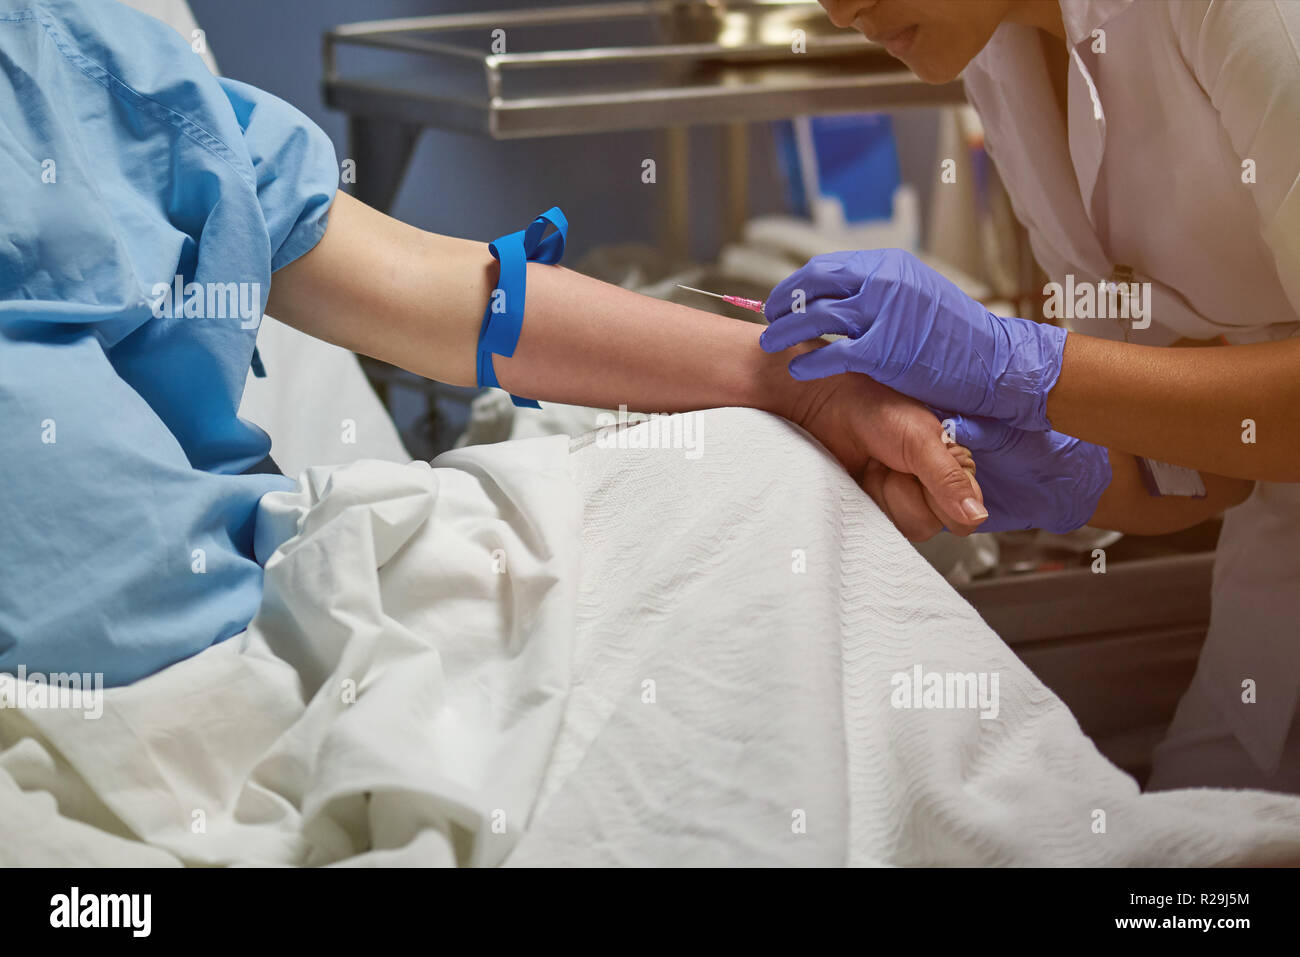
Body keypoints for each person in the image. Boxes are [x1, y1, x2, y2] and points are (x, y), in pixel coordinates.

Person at [0, 0, 988, 688]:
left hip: (251, 636)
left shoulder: (71, 67)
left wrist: (800, 395)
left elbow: (451, 296)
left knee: (763, 486)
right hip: (74, 716)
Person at [785, 0, 1300, 792]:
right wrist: (1063, 468)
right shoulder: (1001, 54)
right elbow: (1218, 462)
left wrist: (1023, 366)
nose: (840, 7)